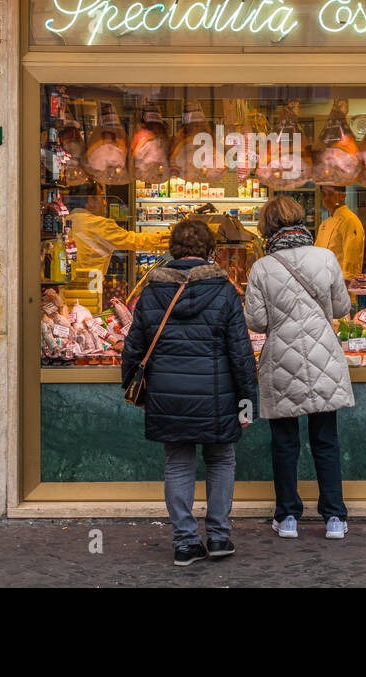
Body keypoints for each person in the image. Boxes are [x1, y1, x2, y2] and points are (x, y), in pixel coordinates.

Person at [120, 218, 258, 567]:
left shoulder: (152, 291)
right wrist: (248, 398)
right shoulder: (225, 290)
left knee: (178, 464)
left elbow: (134, 347)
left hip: (168, 394)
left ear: (173, 250)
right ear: (210, 250)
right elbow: (240, 352)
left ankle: (184, 543)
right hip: (218, 394)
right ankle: (219, 536)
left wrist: (131, 385)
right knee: (221, 458)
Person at [246, 195, 355, 541]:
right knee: (325, 439)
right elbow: (341, 307)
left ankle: (288, 516)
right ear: (300, 219)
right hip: (324, 356)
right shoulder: (326, 257)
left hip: (281, 359)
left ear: (268, 227)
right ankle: (335, 518)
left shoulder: (263, 267)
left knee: (285, 442)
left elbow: (257, 321)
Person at [66, 184, 166, 311]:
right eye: (101, 198)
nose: (104, 202)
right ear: (90, 200)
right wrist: (166, 238)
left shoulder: (65, 220)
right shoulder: (100, 225)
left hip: (65, 290)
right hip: (90, 292)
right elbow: (134, 241)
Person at [316, 186, 365, 280]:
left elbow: (352, 260)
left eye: (330, 194)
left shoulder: (350, 220)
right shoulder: (324, 224)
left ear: (342, 196)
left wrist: (347, 284)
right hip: (324, 282)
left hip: (342, 285)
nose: (326, 198)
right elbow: (318, 255)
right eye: (324, 194)